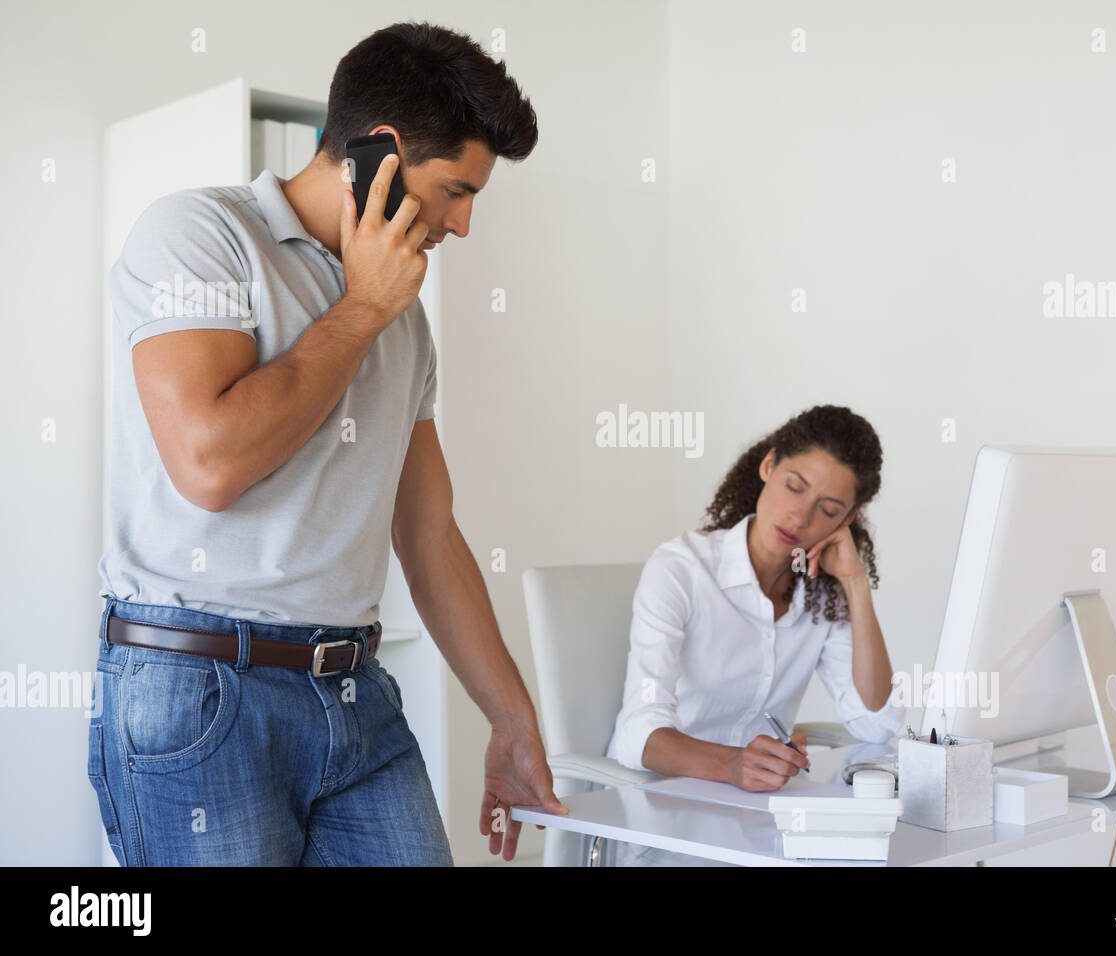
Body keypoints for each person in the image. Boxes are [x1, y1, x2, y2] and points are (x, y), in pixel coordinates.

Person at [89, 21, 566, 866]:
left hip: (353, 695)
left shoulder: (404, 318)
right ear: (379, 153)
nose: (461, 227)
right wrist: (361, 310)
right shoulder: (199, 236)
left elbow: (428, 532)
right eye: (456, 190)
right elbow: (210, 463)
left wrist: (514, 720)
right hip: (200, 691)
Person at [604, 405, 906, 865]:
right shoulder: (682, 570)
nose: (801, 517)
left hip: (760, 830)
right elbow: (637, 732)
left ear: (848, 520)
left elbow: (877, 722)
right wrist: (732, 764)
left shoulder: (822, 596)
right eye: (794, 487)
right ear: (768, 465)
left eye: (827, 510)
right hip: (662, 823)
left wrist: (855, 585)